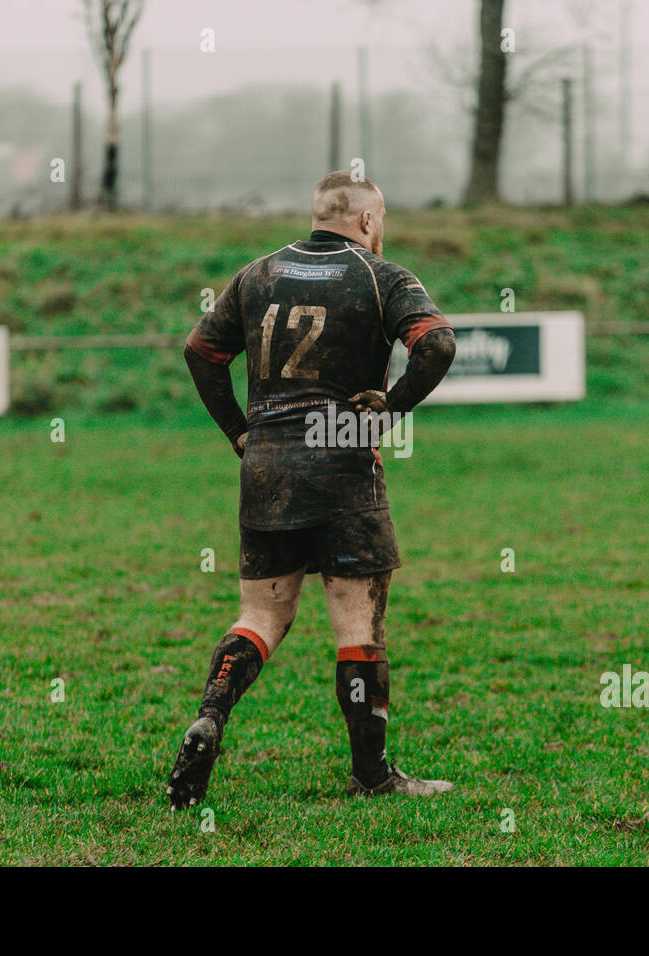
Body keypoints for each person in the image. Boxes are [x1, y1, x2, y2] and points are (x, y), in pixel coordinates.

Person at [169, 170, 457, 808]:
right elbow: (435, 344)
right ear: (366, 221)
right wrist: (388, 412)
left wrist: (241, 434)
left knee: (261, 617)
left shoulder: (257, 274)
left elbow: (200, 352)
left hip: (267, 467)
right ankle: (373, 774)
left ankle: (210, 716)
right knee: (358, 628)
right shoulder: (383, 277)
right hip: (344, 469)